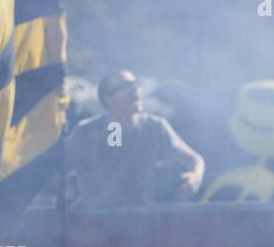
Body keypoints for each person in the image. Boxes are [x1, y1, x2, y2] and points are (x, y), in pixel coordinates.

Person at [66, 70, 205, 207]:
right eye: (125, 86)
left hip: (139, 220)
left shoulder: (154, 127)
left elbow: (194, 159)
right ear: (108, 99)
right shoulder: (87, 131)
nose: (135, 89)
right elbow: (60, 168)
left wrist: (195, 178)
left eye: (135, 84)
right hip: (92, 222)